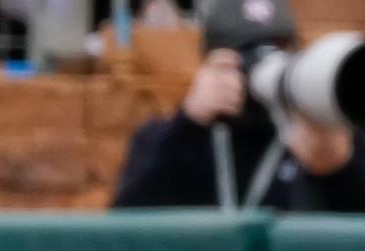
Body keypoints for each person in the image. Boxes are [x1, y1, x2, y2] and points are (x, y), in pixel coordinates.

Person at [111, 0, 364, 211]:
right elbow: (127, 232)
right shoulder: (167, 137)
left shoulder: (331, 132)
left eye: (280, 48)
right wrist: (187, 125)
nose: (266, 64)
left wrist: (339, 171)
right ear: (210, 63)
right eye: (248, 54)